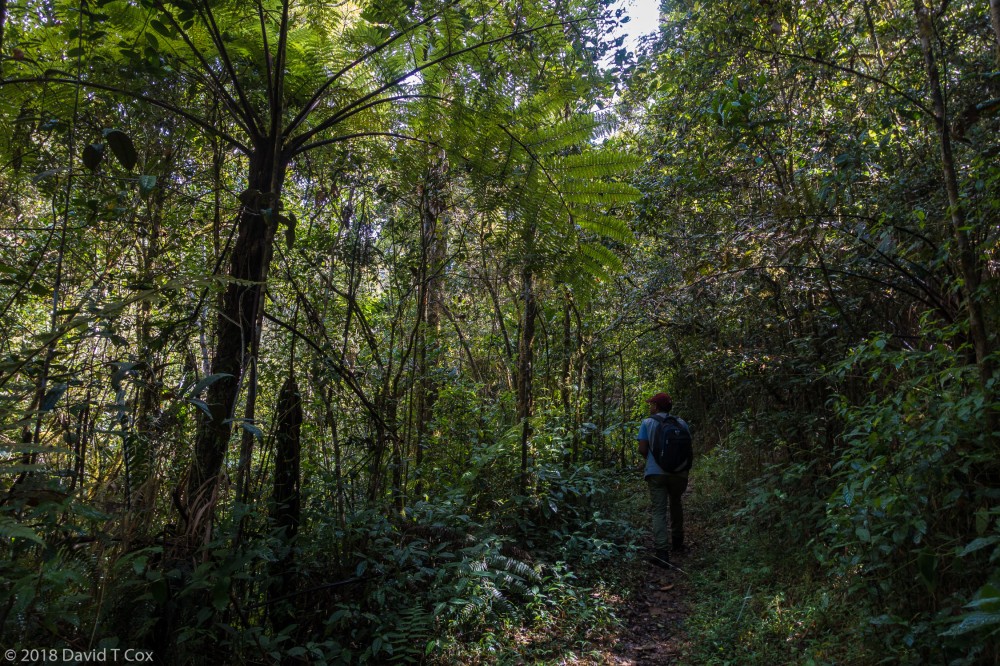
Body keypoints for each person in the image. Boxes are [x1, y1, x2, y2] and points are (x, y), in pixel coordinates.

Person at [637, 392, 691, 568]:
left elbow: (642, 448)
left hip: (656, 473)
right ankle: (677, 542)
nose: (650, 407)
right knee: (676, 502)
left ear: (656, 406)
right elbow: (688, 447)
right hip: (679, 472)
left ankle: (662, 553)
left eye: (651, 404)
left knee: (659, 510)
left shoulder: (647, 423)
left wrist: (654, 461)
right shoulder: (681, 423)